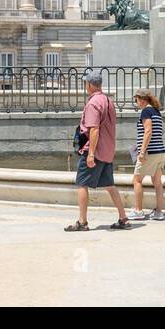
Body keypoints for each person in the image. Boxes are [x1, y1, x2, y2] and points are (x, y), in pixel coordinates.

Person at [65, 74, 129, 231]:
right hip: (107, 151)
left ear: (89, 85)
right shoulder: (108, 101)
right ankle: (123, 218)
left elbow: (94, 130)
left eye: (85, 83)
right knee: (109, 185)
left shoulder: (93, 103)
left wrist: (91, 154)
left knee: (81, 184)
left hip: (95, 151)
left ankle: (82, 222)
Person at [126, 90, 165, 222]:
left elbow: (148, 131)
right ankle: (159, 212)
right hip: (160, 152)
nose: (136, 103)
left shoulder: (146, 112)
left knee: (137, 180)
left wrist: (142, 152)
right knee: (157, 183)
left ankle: (138, 211)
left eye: (136, 100)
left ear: (142, 99)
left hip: (150, 153)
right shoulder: (157, 112)